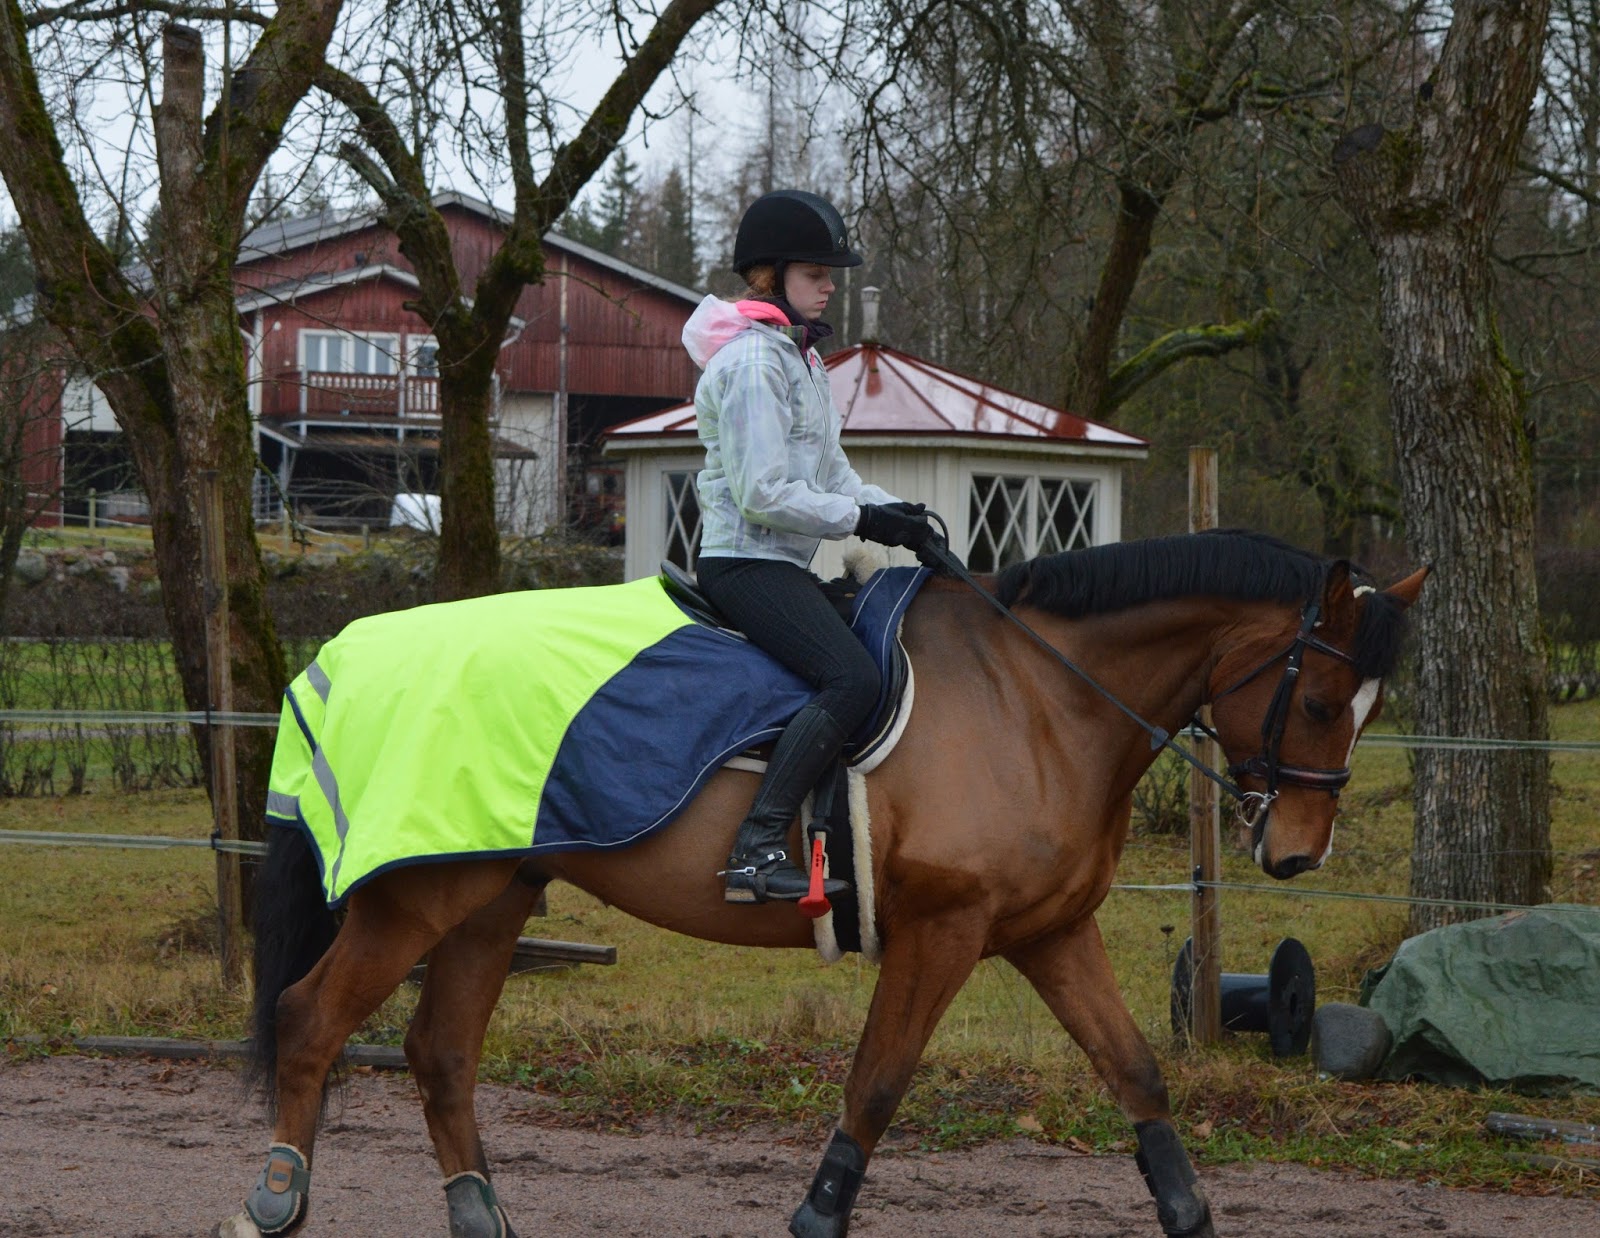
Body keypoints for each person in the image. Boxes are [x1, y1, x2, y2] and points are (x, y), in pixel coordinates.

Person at [680, 189, 936, 905]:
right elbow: (763, 492)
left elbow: (832, 477)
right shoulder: (753, 366)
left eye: (831, 273)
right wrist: (861, 519)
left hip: (783, 561)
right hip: (746, 564)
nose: (830, 284)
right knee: (851, 678)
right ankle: (755, 850)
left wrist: (904, 516)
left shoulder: (803, 362)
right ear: (770, 277)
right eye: (815, 272)